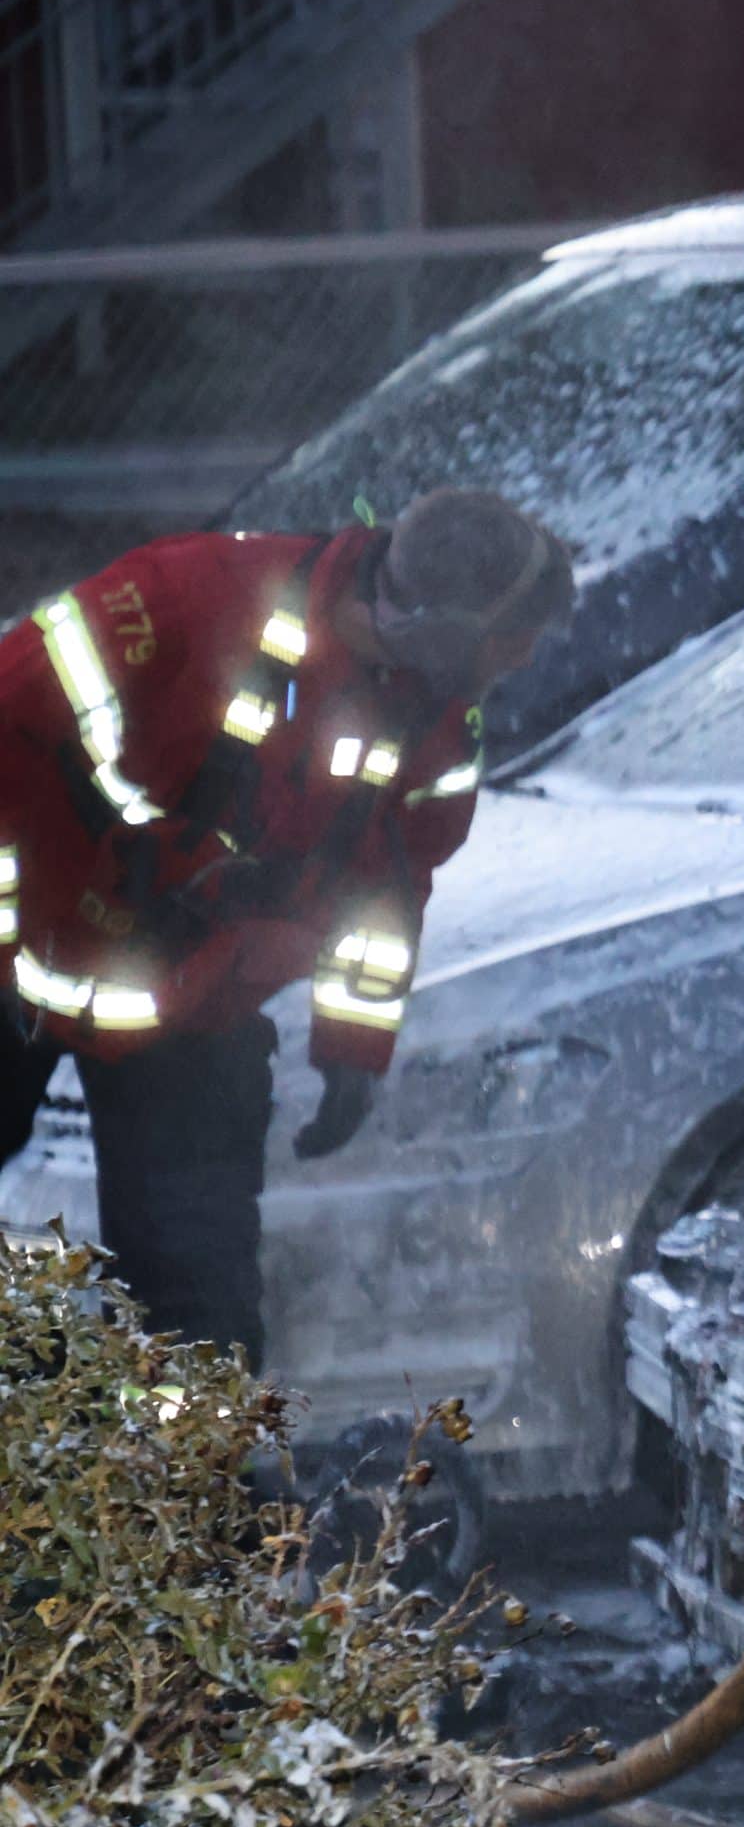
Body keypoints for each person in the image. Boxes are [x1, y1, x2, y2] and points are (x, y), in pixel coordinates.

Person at [0, 490, 575, 1361]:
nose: (525, 660)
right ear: (444, 626)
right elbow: (11, 712)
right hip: (17, 954)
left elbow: (394, 887)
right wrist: (139, 846)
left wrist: (353, 1043)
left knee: (197, 1326)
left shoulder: (441, 728)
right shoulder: (186, 598)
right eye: (512, 639)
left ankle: (186, 1495)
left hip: (186, 1012)